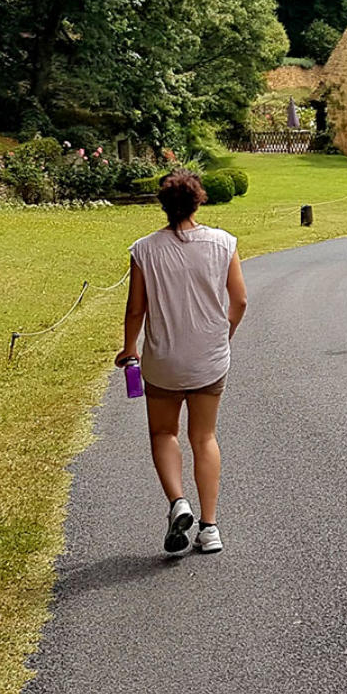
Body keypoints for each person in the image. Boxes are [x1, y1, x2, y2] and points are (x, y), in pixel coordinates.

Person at [116, 170, 247, 555]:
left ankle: (178, 502)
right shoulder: (224, 243)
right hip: (209, 358)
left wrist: (129, 348)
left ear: (164, 205)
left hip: (163, 361)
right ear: (198, 201)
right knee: (204, 437)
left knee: (163, 433)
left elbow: (136, 309)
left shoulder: (144, 250)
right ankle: (210, 527)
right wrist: (224, 335)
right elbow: (239, 301)